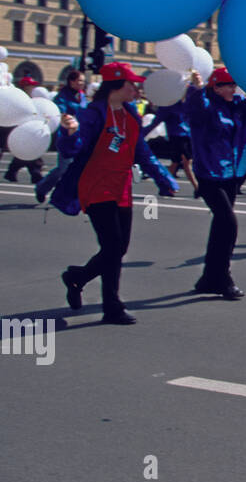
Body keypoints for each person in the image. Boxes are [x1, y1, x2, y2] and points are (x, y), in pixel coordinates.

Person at [52, 62, 178, 324]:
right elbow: (71, 148)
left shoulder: (130, 114)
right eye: (132, 84)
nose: (136, 88)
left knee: (118, 248)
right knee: (111, 246)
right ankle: (112, 306)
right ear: (116, 86)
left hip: (121, 188)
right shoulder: (93, 113)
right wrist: (69, 132)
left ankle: (77, 277)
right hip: (96, 187)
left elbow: (141, 151)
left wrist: (164, 179)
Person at [184, 66, 246, 300]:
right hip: (209, 173)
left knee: (220, 226)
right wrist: (197, 88)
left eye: (234, 84)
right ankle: (223, 277)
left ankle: (208, 277)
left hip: (232, 172)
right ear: (216, 87)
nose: (233, 88)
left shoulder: (239, 106)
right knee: (228, 223)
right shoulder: (207, 107)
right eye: (227, 84)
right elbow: (194, 110)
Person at [36, 68, 88, 203]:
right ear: (71, 82)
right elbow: (60, 112)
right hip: (67, 136)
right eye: (80, 81)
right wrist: (69, 120)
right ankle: (42, 188)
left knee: (81, 167)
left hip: (81, 136)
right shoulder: (62, 97)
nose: (82, 83)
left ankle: (73, 197)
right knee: (63, 168)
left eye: (83, 81)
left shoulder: (82, 96)